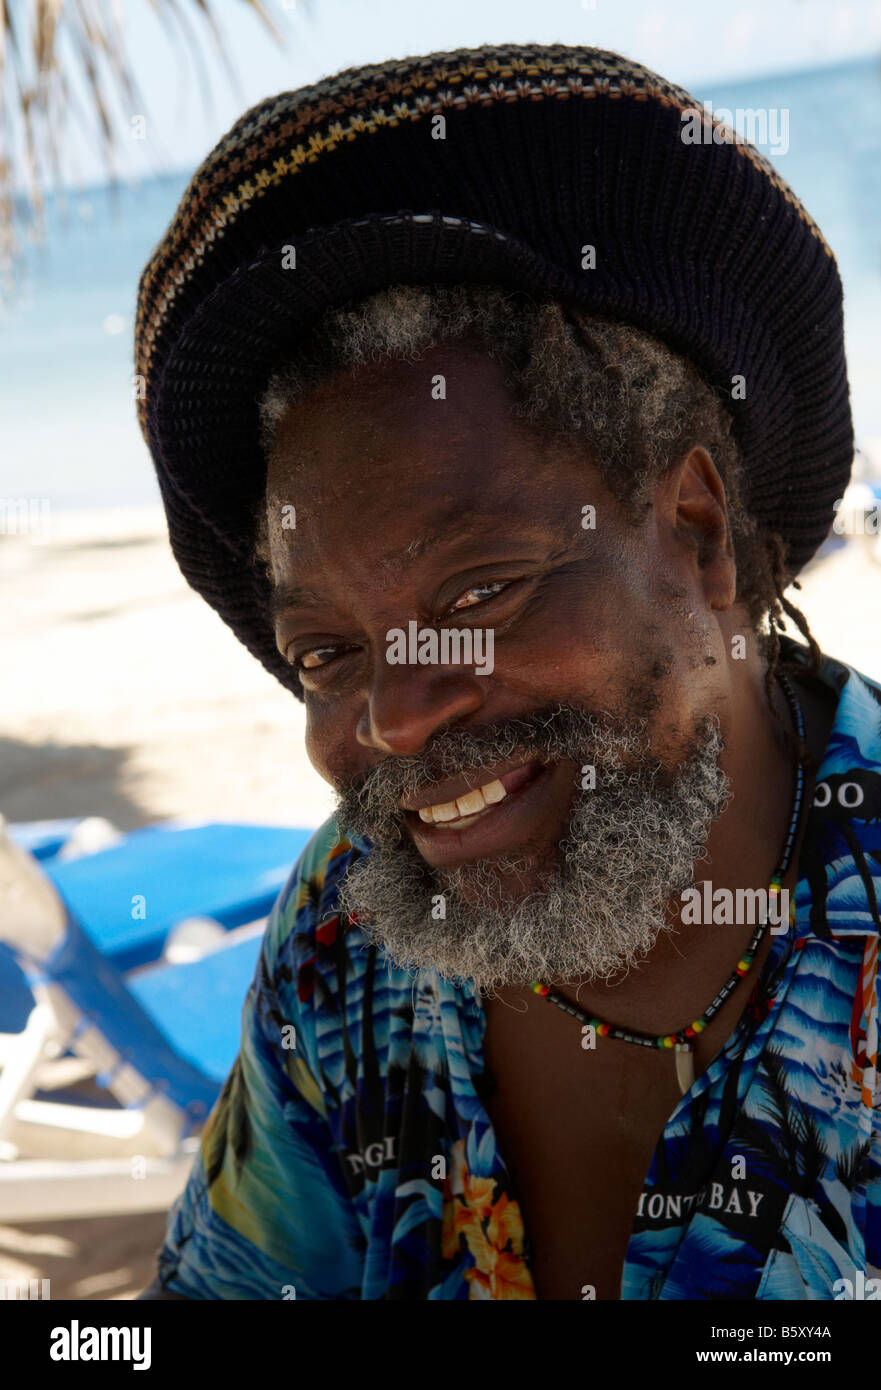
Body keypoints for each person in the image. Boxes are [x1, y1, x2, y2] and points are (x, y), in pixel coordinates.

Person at [134, 42, 880, 1300]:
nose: (390, 716)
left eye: (474, 593)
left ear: (695, 536)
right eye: (327, 649)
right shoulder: (351, 926)